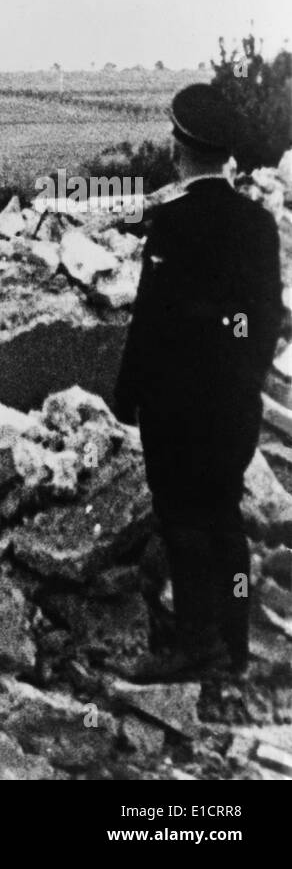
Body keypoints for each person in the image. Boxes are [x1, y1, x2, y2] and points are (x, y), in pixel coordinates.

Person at [113, 83, 285, 682]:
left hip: (179, 409)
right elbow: (265, 319)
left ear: (179, 147)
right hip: (234, 405)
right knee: (224, 517)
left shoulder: (174, 224)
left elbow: (152, 320)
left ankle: (195, 641)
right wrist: (245, 375)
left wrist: (128, 396)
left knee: (183, 518)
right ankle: (233, 640)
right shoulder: (259, 225)